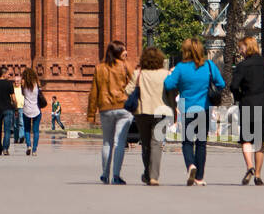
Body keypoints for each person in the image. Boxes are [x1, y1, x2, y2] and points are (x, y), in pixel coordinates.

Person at [163, 38, 225, 187]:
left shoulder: (181, 67)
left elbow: (168, 84)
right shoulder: (209, 65)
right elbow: (221, 84)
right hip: (204, 108)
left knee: (187, 142)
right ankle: (199, 177)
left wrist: (170, 74)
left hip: (187, 109)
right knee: (201, 143)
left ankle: (190, 165)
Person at [88, 41, 132, 184]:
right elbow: (134, 82)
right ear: (119, 52)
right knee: (119, 142)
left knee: (107, 142)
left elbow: (94, 92)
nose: (126, 53)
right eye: (124, 51)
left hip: (105, 108)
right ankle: (116, 176)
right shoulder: (125, 66)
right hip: (124, 107)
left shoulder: (99, 68)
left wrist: (91, 113)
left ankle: (105, 174)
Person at [230, 36, 264, 186]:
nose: (240, 51)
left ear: (247, 48)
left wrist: (239, 97)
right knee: (259, 142)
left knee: (246, 139)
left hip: (248, 103)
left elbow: (234, 86)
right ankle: (258, 175)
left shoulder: (242, 66)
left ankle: (249, 166)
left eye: (241, 48)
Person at [128, 47, 173, 185]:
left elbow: (128, 90)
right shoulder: (166, 74)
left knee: (146, 144)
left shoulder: (138, 73)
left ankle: (147, 173)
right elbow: (171, 92)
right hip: (162, 112)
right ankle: (153, 176)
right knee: (157, 144)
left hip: (142, 112)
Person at [20, 67, 43, 156]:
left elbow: (22, 94)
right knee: (36, 130)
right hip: (36, 109)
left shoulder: (23, 84)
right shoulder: (37, 83)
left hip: (26, 109)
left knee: (27, 129)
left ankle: (29, 145)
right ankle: (34, 150)